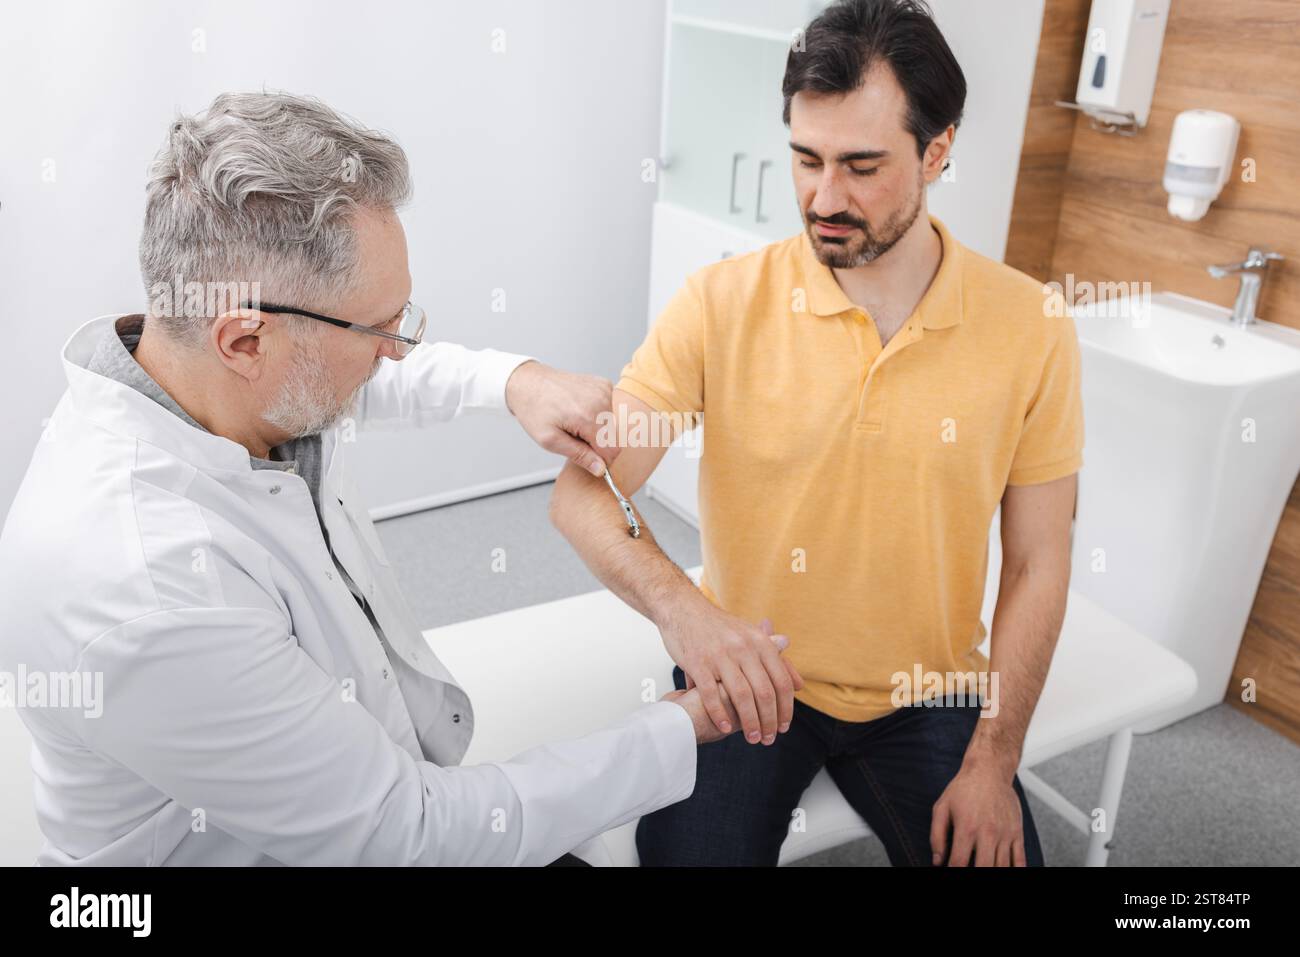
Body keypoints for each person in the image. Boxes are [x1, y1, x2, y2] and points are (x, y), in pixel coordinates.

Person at [0, 91, 754, 866]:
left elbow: (351, 373)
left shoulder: (203, 369)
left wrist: (512, 382)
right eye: (379, 329)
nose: (398, 350)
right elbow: (408, 835)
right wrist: (673, 727)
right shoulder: (151, 586)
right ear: (246, 341)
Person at [549, 0, 1084, 866]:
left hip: (932, 689)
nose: (824, 198)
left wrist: (994, 758)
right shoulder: (720, 302)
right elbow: (582, 497)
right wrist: (687, 615)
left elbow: (1038, 559)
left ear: (937, 150)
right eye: (806, 159)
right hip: (750, 672)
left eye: (862, 167)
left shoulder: (1033, 326)